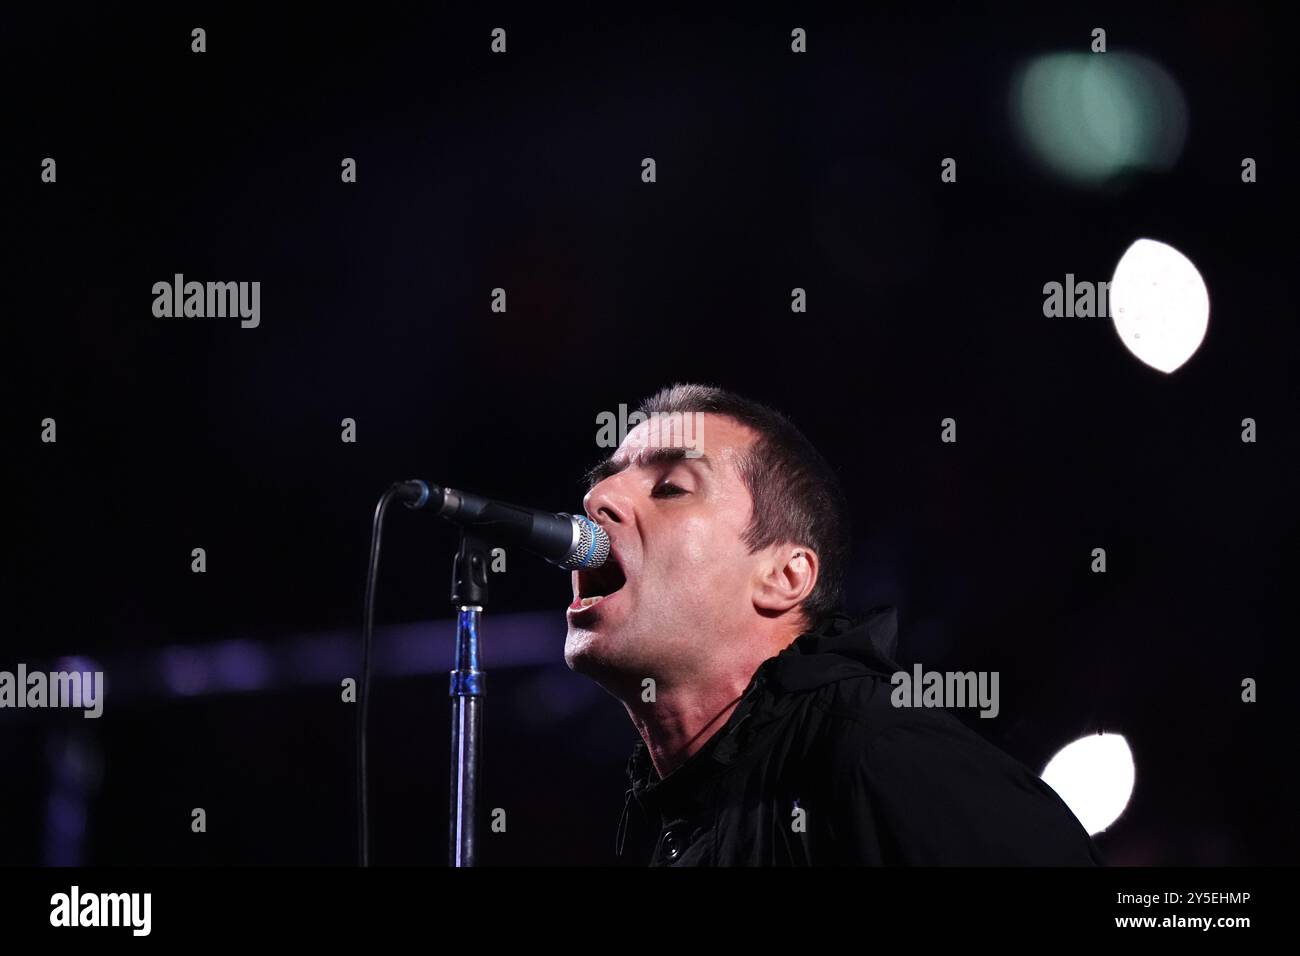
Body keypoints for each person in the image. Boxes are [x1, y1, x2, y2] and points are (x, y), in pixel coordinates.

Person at [564, 383, 1103, 866]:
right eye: (605, 482)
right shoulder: (665, 821)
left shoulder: (889, 760)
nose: (596, 500)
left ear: (784, 576)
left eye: (671, 488)